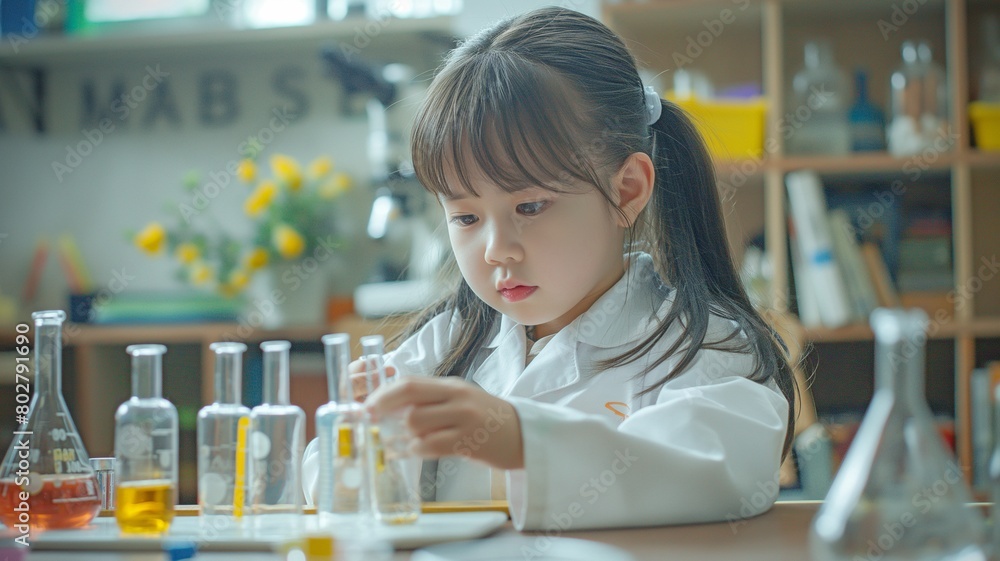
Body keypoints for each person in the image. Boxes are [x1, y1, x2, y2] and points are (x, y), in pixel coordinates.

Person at [302, 6, 796, 531]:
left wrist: (521, 437)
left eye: (530, 207)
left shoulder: (702, 347)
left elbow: (718, 471)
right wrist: (362, 437)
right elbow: (331, 493)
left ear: (626, 190)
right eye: (465, 216)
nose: (497, 250)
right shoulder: (447, 343)